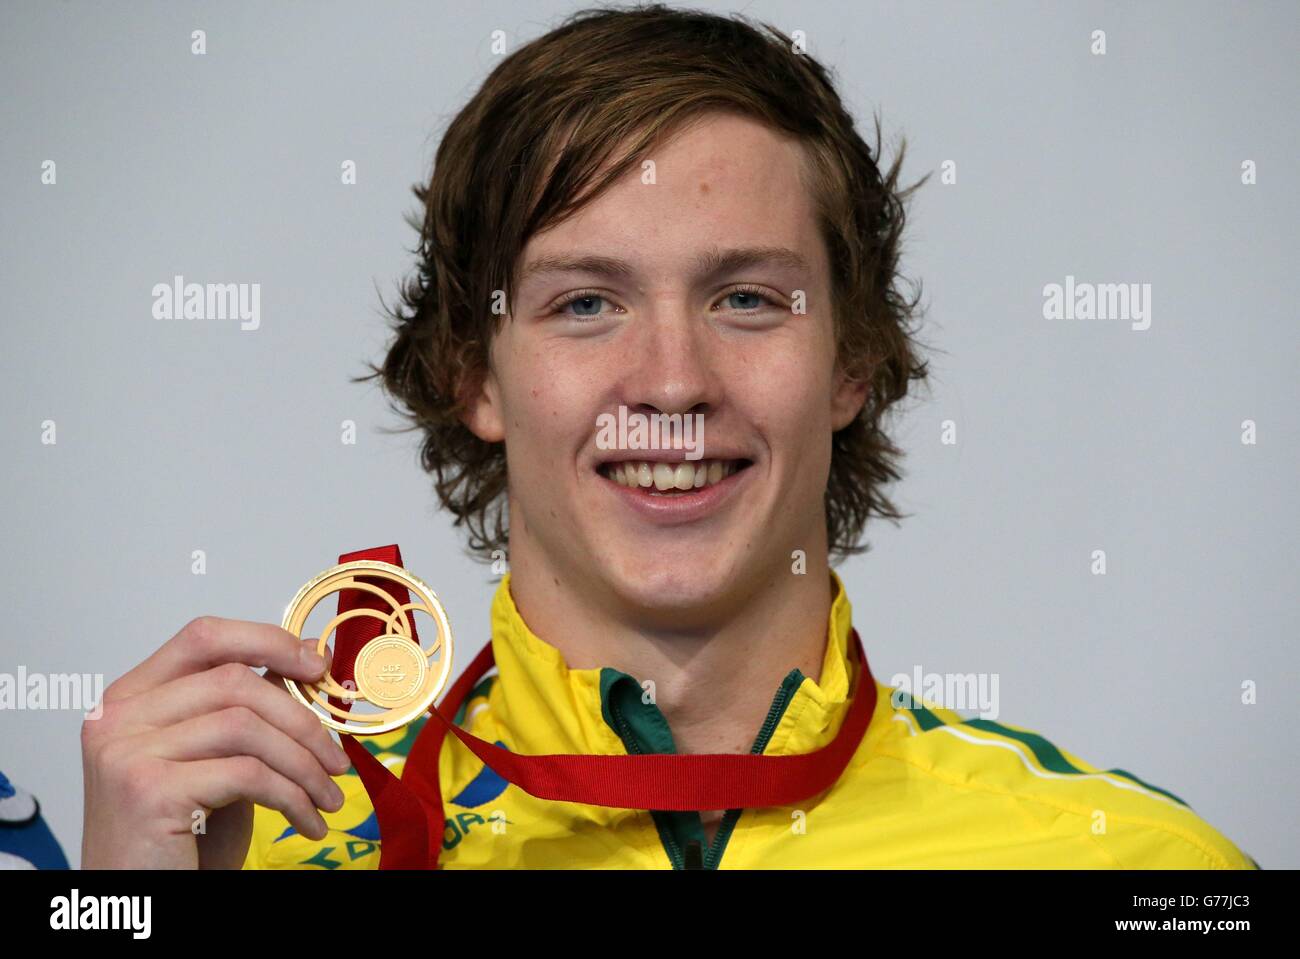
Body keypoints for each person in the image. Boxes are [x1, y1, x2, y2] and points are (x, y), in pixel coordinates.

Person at [81, 4, 1257, 870]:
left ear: (853, 360)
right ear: (470, 374)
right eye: (584, 302)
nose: (672, 382)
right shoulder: (247, 849)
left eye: (747, 297)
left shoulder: (1135, 865)